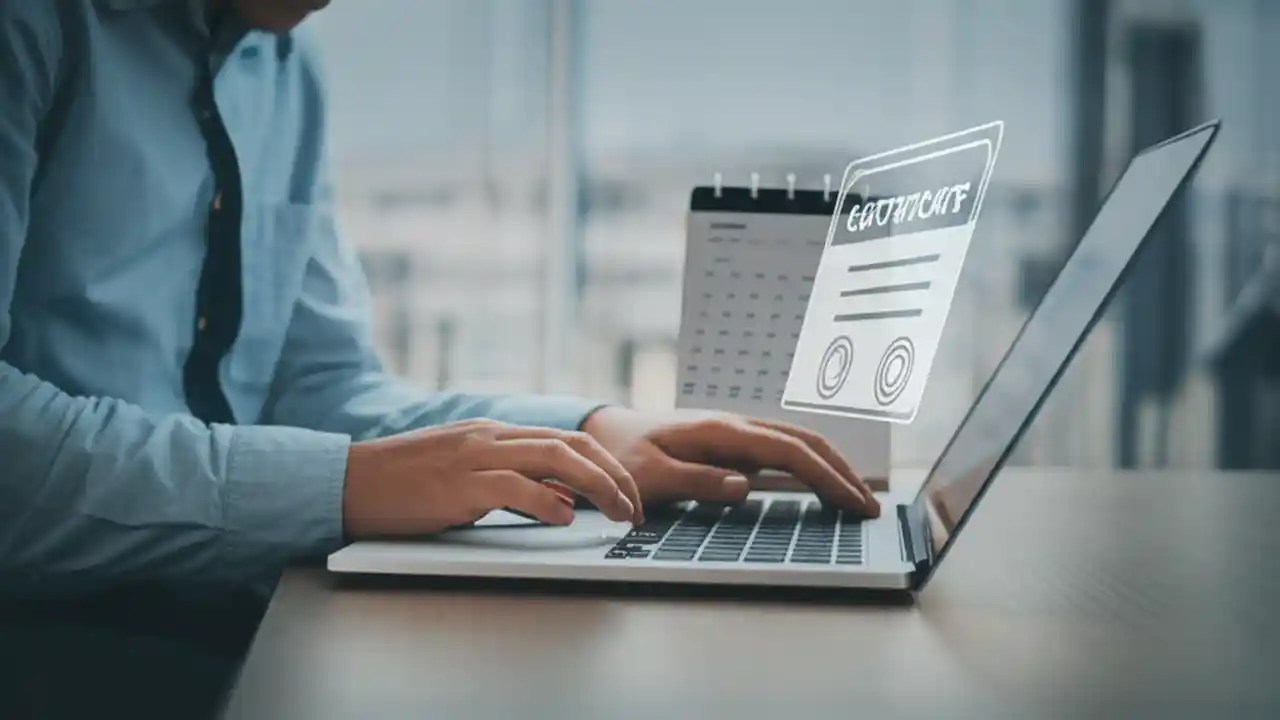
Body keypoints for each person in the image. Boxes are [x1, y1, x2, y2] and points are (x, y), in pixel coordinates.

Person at [0, 0, 879, 714]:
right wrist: (345, 483)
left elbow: (318, 386)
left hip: (234, 617)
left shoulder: (284, 74)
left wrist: (594, 433)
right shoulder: (30, 29)